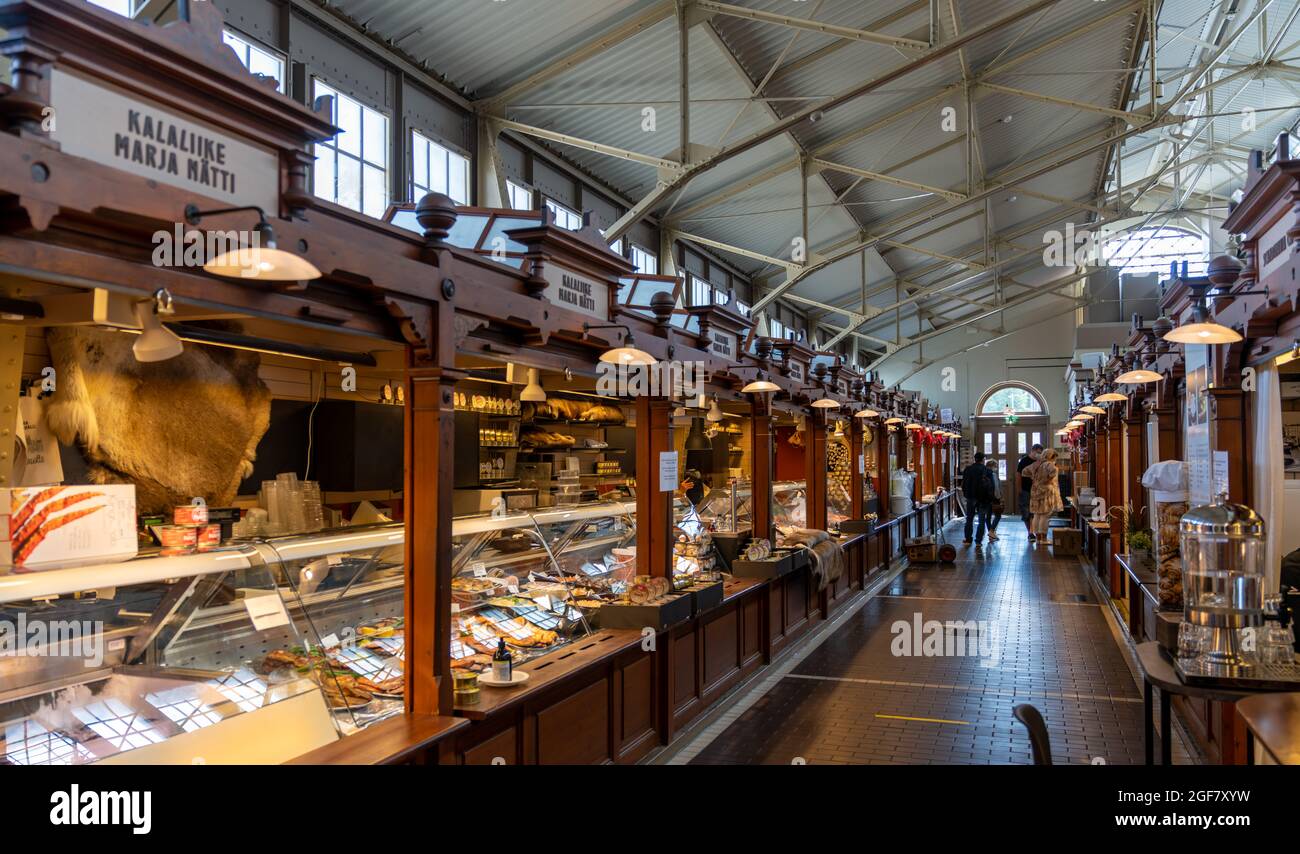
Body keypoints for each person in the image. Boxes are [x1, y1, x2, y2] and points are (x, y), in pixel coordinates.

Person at [1025, 448, 1064, 543]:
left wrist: (1035, 479)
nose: (1055, 460)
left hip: (1035, 491)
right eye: (1055, 458)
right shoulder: (1049, 464)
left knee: (1037, 515)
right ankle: (1044, 538)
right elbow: (1053, 473)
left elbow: (1024, 471)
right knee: (1045, 516)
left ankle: (1038, 538)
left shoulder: (1036, 464)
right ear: (1052, 457)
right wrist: (1046, 481)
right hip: (1046, 492)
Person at [961, 451, 995, 545]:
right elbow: (992, 486)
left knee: (969, 519)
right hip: (983, 499)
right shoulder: (987, 470)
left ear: (974, 459)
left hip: (970, 497)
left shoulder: (968, 470)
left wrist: (966, 494)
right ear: (983, 460)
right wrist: (991, 498)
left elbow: (964, 484)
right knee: (981, 520)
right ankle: (978, 541)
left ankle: (968, 539)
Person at [1017, 444, 1042, 540]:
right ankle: (1030, 531)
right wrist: (1019, 488)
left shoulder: (1040, 462)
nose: (1038, 454)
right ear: (1032, 451)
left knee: (1035, 512)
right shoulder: (1024, 461)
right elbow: (1018, 475)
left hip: (1038, 491)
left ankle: (1033, 532)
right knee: (1026, 512)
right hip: (1025, 490)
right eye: (1038, 452)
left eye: (1040, 453)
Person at [984, 458, 1002, 542]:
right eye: (996, 466)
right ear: (992, 466)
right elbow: (996, 488)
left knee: (988, 516)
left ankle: (991, 535)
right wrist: (999, 497)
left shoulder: (983, 474)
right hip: (994, 498)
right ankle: (991, 531)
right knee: (998, 515)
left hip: (986, 498)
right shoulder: (993, 475)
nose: (997, 468)